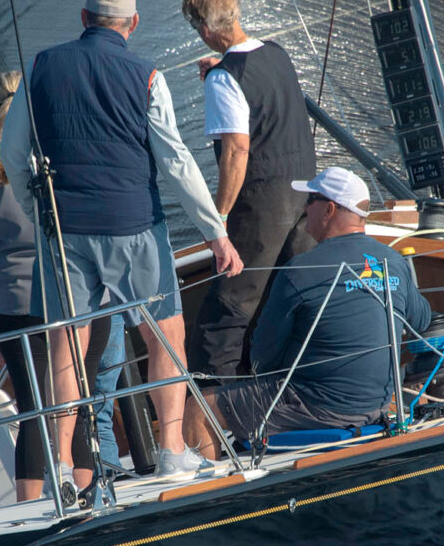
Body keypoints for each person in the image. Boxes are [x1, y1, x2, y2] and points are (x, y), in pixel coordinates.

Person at [0, 0, 244, 488]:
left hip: (65, 232)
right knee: (165, 336)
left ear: (84, 20)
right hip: (136, 227)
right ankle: (172, 451)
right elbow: (175, 161)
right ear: (132, 25)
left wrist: (38, 207)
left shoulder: (42, 66)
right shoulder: (147, 75)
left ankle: (61, 466)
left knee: (67, 344)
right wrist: (216, 232)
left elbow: (12, 154)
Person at [184, 168, 431, 459]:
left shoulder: (299, 271)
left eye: (310, 200)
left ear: (329, 209)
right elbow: (422, 321)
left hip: (319, 407)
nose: (304, 208)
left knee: (198, 409)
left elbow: (264, 360)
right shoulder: (393, 260)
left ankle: (218, 499)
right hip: (378, 403)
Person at [0, 71, 112, 501]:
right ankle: (87, 496)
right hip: (82, 299)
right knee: (75, 404)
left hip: (19, 304)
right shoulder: (71, 154)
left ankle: (28, 511)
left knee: (34, 410)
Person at [181, 0, 319, 378]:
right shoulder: (276, 53)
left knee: (223, 317)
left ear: (205, 30)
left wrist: (219, 215)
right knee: (292, 303)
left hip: (262, 205)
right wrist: (221, 71)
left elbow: (238, 151)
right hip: (303, 200)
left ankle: (216, 425)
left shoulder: (226, 78)